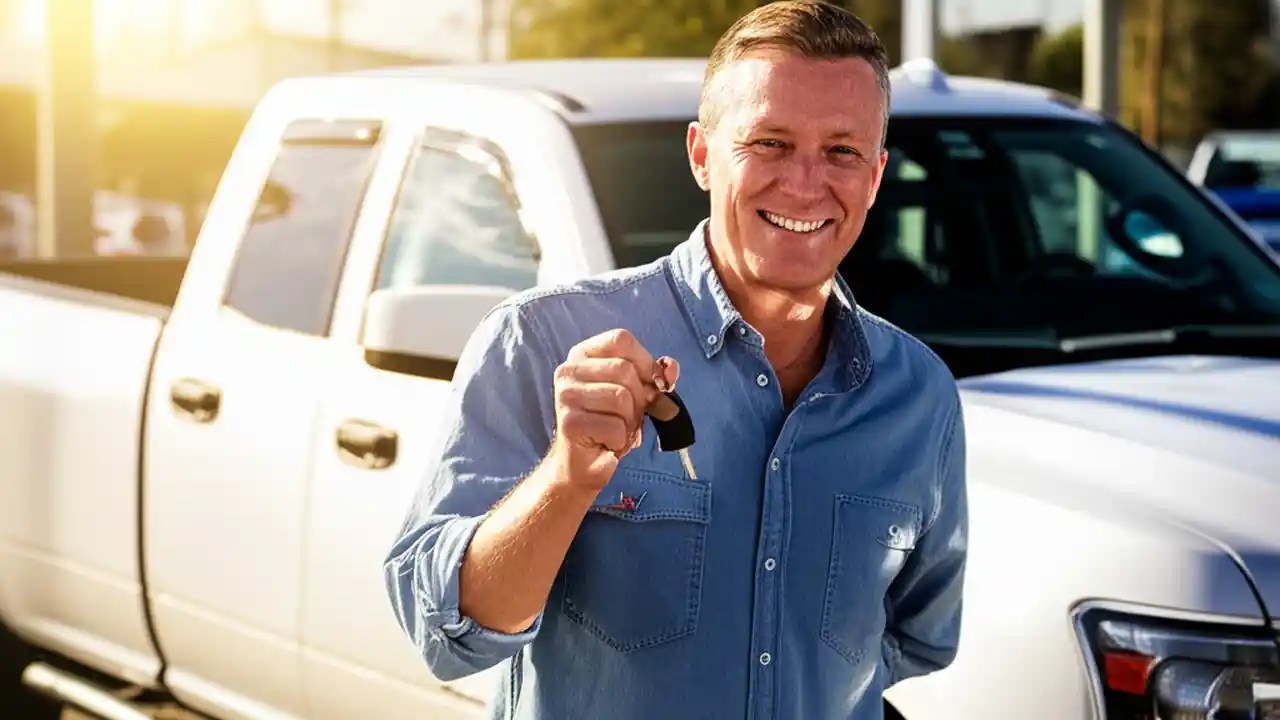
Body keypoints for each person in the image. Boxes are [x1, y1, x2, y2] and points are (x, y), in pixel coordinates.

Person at [383, 2, 967, 718]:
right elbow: (448, 635)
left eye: (842, 151)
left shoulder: (920, 396)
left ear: (874, 178)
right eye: (770, 143)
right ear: (701, 156)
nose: (807, 182)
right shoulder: (542, 341)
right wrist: (567, 477)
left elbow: (914, 637)